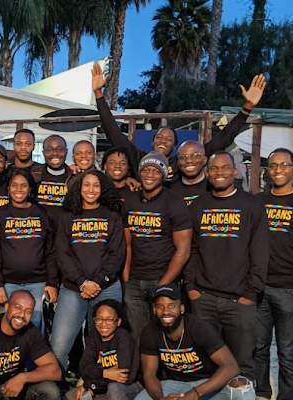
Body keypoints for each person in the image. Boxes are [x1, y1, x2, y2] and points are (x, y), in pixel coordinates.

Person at [91, 63, 267, 184]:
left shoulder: (184, 162)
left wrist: (247, 108)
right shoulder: (138, 158)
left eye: (168, 139)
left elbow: (223, 139)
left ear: (174, 146)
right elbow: (113, 132)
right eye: (159, 137)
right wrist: (99, 94)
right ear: (152, 141)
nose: (163, 141)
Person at [184, 151, 269, 381]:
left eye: (224, 168)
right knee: (204, 362)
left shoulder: (251, 204)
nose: (219, 172)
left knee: (242, 365)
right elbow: (190, 249)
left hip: (239, 301)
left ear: (234, 171)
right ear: (207, 172)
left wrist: (251, 293)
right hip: (204, 298)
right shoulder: (198, 205)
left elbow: (260, 250)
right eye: (214, 168)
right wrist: (191, 287)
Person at [51, 169, 125, 371]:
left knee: (105, 349)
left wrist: (97, 282)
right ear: (78, 188)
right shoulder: (68, 215)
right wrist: (83, 282)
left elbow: (117, 254)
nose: (90, 189)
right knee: (58, 347)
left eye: (96, 185)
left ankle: (97, 389)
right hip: (74, 289)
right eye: (86, 185)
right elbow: (62, 252)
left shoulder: (112, 215)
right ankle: (52, 389)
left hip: (107, 288)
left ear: (103, 189)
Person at [136, 284, 254, 400]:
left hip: (208, 384)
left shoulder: (198, 328)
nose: (166, 311)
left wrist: (196, 393)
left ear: (181, 308)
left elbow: (231, 367)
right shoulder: (150, 332)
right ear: (154, 310)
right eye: (160, 306)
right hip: (176, 385)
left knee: (242, 387)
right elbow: (149, 374)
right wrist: (160, 398)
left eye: (172, 306)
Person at [122, 152, 192, 342]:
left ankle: (164, 373)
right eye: (146, 170)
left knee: (165, 336)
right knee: (138, 336)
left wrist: (164, 284)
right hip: (135, 281)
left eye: (155, 171)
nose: (150, 174)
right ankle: (142, 372)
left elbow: (183, 250)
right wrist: (127, 279)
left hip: (162, 279)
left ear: (163, 175)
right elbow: (127, 244)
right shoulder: (131, 201)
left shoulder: (174, 202)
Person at [0, 168, 57, 328]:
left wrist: (52, 282)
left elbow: (50, 251)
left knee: (34, 327)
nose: (19, 189)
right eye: (14, 185)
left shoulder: (42, 213)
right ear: (8, 188)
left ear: (30, 188)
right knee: (8, 327)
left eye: (23, 185)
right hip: (8, 284)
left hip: (38, 283)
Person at [0, 290, 62, 400]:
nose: (21, 315)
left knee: (50, 390)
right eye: (17, 307)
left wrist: (23, 378)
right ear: (7, 307)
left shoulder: (30, 332)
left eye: (28, 311)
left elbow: (55, 371)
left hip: (13, 387)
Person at [255, 148, 293, 400]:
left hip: (289, 288)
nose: (278, 170)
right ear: (267, 171)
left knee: (287, 351)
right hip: (260, 286)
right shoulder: (258, 201)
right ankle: (261, 393)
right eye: (273, 165)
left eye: (284, 165)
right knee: (258, 348)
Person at [76, 300, 139, 400]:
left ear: (118, 322)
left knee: (114, 389)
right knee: (74, 395)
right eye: (99, 319)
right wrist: (104, 373)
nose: (103, 324)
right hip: (101, 383)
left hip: (130, 385)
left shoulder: (123, 337)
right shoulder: (94, 336)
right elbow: (83, 367)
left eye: (109, 319)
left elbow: (123, 376)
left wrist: (91, 384)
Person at [31, 135, 73, 228]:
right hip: (39, 235)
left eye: (59, 149)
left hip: (64, 236)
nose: (55, 153)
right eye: (49, 149)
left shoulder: (74, 178)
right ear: (43, 153)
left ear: (66, 152)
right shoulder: (33, 175)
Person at [170, 141, 210, 206]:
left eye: (195, 155)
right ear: (178, 163)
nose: (189, 161)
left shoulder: (212, 188)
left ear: (205, 160)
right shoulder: (170, 190)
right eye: (183, 157)